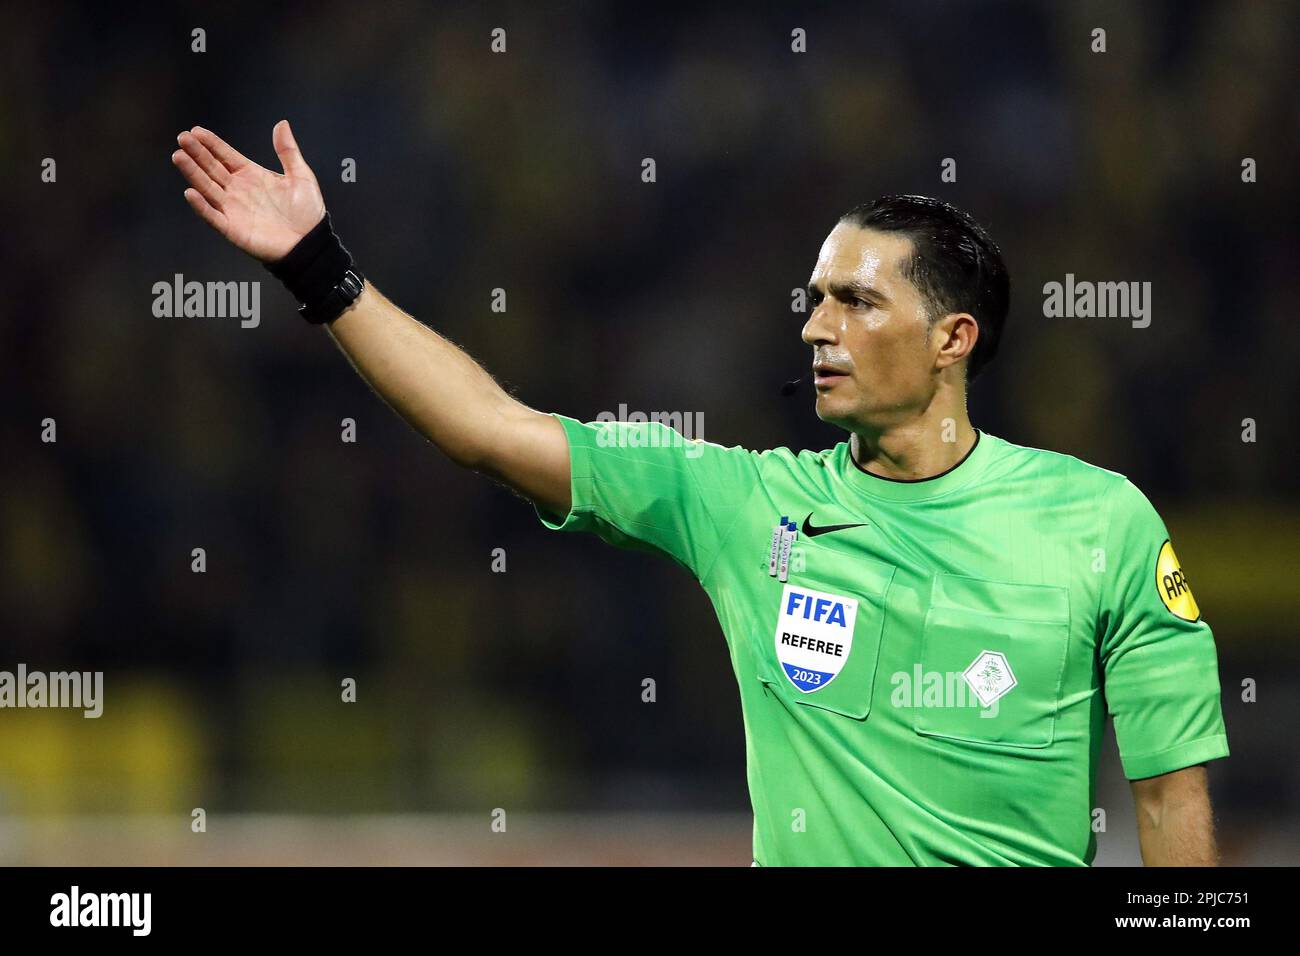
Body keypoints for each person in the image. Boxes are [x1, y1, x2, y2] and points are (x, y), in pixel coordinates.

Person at [172, 120, 1229, 866]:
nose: (815, 327)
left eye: (856, 302)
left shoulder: (1102, 521)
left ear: (953, 338)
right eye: (812, 300)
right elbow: (487, 429)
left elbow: (1169, 792)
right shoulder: (742, 504)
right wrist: (319, 267)